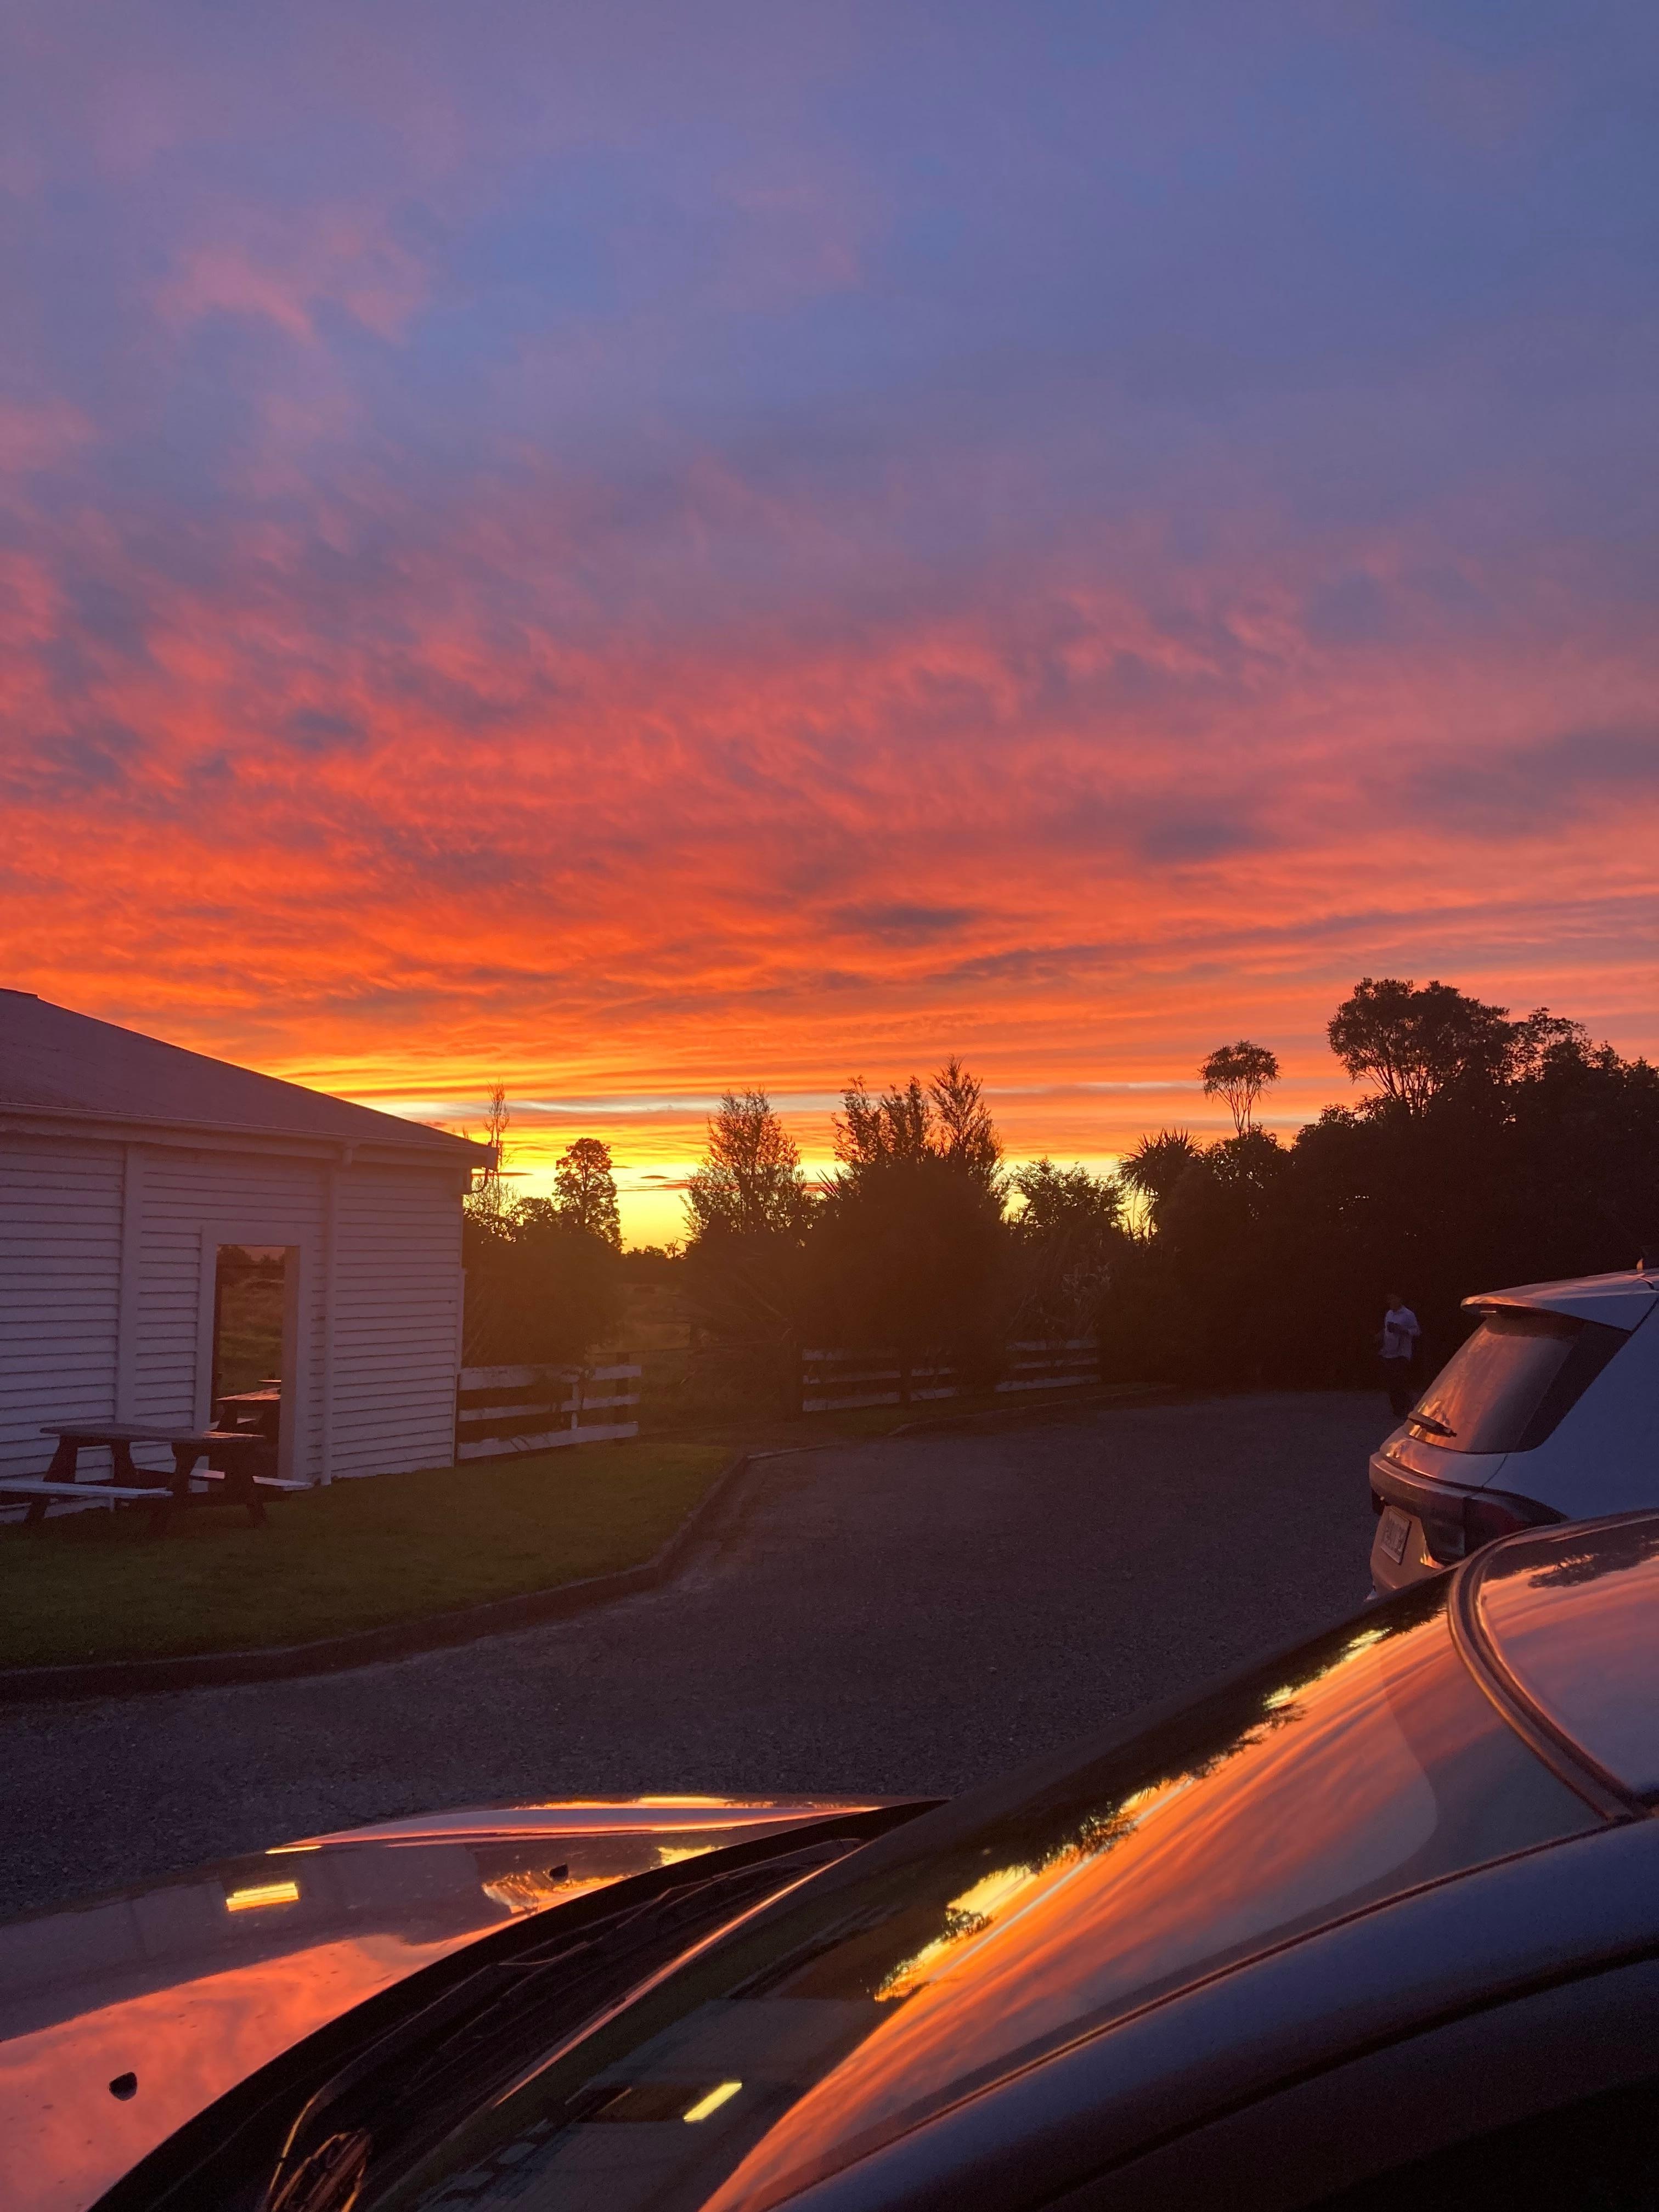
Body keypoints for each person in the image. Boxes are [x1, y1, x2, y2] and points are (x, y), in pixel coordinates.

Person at [1380, 1290, 1421, 1417]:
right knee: (1392, 1383)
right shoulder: (1389, 1314)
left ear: (1400, 1299)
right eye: (1389, 1300)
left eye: (1393, 1299)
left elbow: (1417, 1331)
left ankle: (1408, 1407)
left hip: (1402, 1353)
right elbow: (1387, 1330)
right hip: (1389, 1352)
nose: (1390, 1302)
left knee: (1400, 1380)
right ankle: (1397, 1409)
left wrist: (1403, 1331)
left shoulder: (1408, 1315)